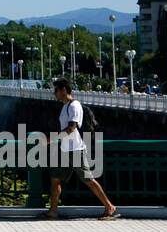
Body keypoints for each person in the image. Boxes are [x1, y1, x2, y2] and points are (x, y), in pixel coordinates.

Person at [43, 78, 119, 220]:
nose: (55, 94)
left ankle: (110, 207)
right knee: (55, 179)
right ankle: (53, 211)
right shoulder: (65, 106)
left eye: (56, 90)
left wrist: (51, 139)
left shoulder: (74, 106)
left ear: (64, 90)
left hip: (76, 149)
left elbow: (72, 128)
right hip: (65, 149)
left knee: (88, 179)